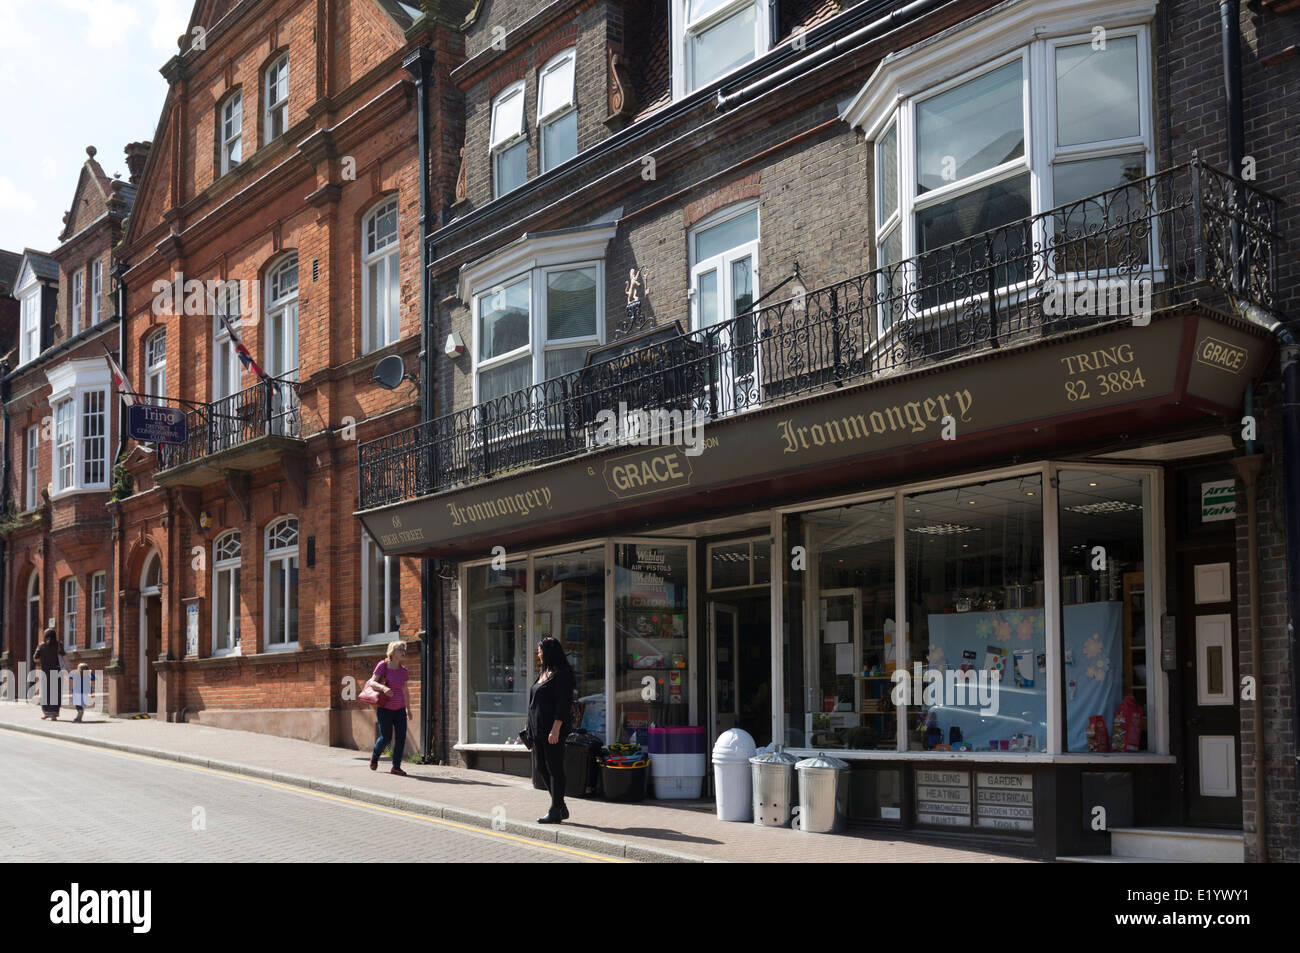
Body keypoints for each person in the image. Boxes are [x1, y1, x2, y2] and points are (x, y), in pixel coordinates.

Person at [528, 637, 575, 824]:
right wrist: (528, 725)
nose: (538, 653)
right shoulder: (543, 671)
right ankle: (560, 805)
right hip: (537, 728)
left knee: (555, 768)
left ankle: (555, 809)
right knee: (541, 767)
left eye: (540, 650)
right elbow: (534, 702)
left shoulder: (562, 674)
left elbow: (563, 704)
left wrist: (556, 729)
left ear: (549, 652)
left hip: (552, 729)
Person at [366, 641, 411, 775]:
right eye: (400, 649)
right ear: (392, 652)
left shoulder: (404, 671)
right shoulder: (383, 666)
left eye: (404, 650)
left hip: (400, 709)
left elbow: (406, 690)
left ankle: (396, 767)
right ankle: (375, 756)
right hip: (385, 708)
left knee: (401, 737)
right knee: (386, 737)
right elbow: (372, 682)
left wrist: (408, 708)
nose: (403, 652)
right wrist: (384, 688)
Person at [34, 630, 62, 721]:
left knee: (45, 693)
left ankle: (46, 713)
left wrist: (41, 663)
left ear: (45, 636)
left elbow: (35, 658)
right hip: (56, 671)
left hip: (45, 672)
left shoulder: (41, 646)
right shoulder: (58, 645)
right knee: (55, 693)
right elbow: (64, 655)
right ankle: (53, 715)